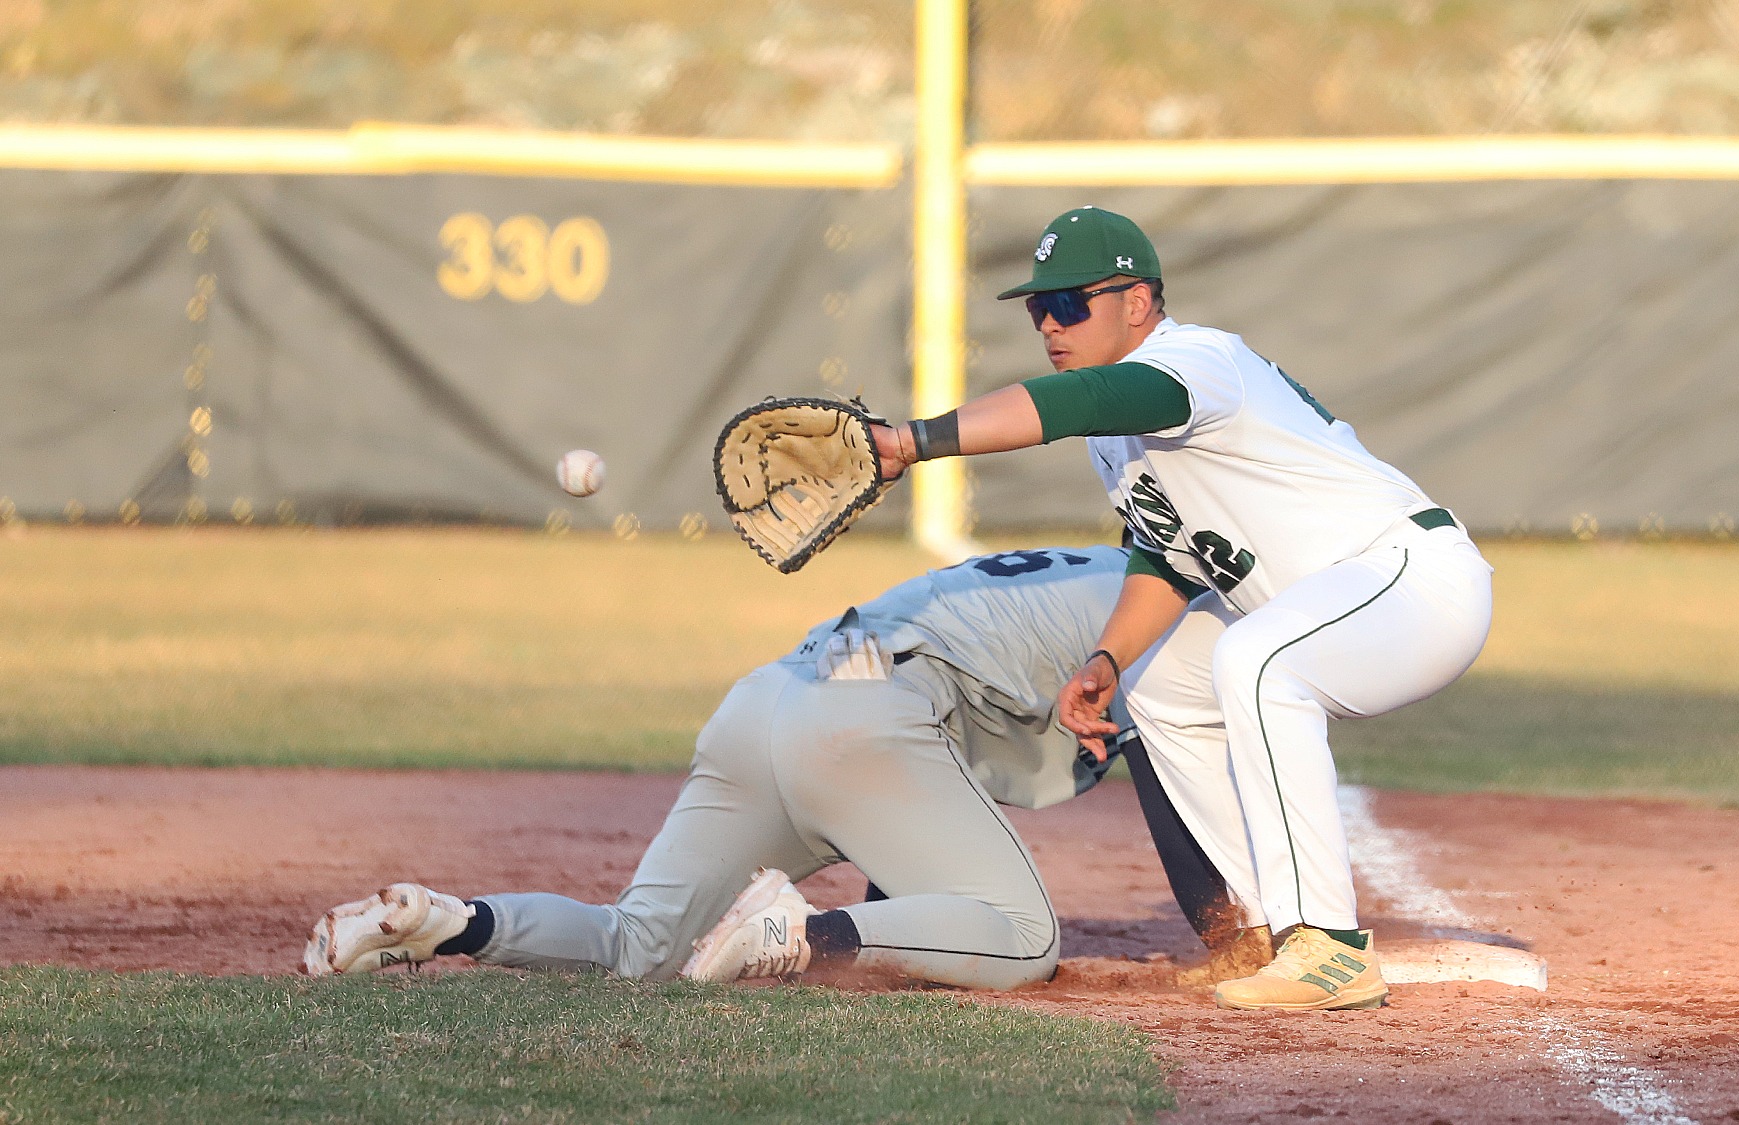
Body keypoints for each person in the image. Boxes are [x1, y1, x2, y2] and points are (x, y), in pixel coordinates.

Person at [868, 206, 1494, 1012]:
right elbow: (1168, 557)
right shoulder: (1117, 440)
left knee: (1257, 659)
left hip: (1414, 581)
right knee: (1161, 684)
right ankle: (1269, 928)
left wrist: (914, 441)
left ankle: (1330, 946)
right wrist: (1107, 659)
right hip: (1337, 598)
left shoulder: (1200, 362)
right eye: (1037, 310)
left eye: (1069, 303)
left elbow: (1080, 398)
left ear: (1137, 301)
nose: (1050, 324)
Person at [304, 545, 1225, 991]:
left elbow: (911, 808)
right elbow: (1177, 783)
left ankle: (448, 924)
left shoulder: (1082, 573)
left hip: (770, 697)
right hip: (866, 713)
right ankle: (798, 933)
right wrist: (1229, 929)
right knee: (1027, 940)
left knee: (639, 947)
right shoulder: (1182, 609)